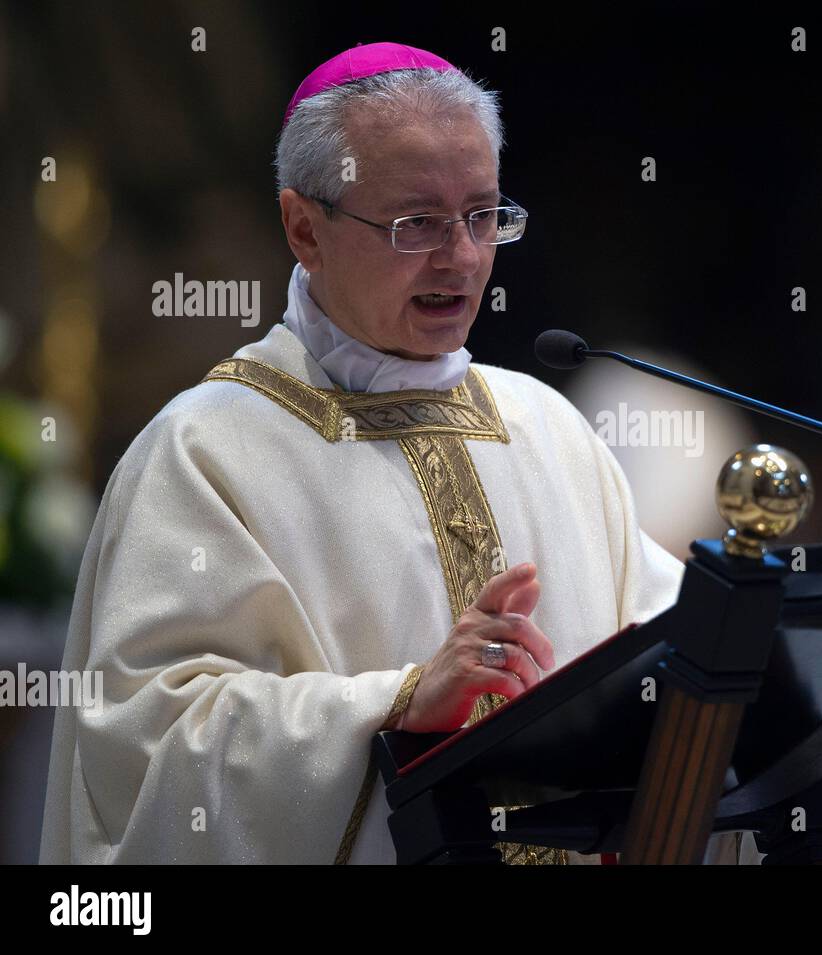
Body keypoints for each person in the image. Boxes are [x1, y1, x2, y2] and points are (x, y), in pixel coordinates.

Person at [40, 42, 758, 865]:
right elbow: (148, 751)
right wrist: (401, 701)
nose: (460, 257)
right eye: (416, 223)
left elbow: (664, 659)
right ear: (303, 228)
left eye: (484, 216)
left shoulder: (548, 428)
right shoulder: (206, 450)